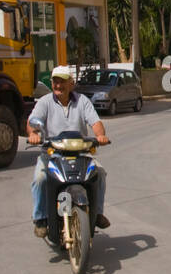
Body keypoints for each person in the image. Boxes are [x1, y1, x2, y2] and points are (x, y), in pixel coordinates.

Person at [28, 65, 111, 238]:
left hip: (80, 153)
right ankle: (41, 218)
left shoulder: (82, 101)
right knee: (40, 179)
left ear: (71, 84)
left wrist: (100, 135)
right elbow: (32, 121)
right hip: (52, 155)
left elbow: (95, 122)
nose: (58, 85)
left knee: (100, 173)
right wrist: (34, 133)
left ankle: (97, 214)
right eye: (55, 81)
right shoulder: (45, 102)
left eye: (62, 82)